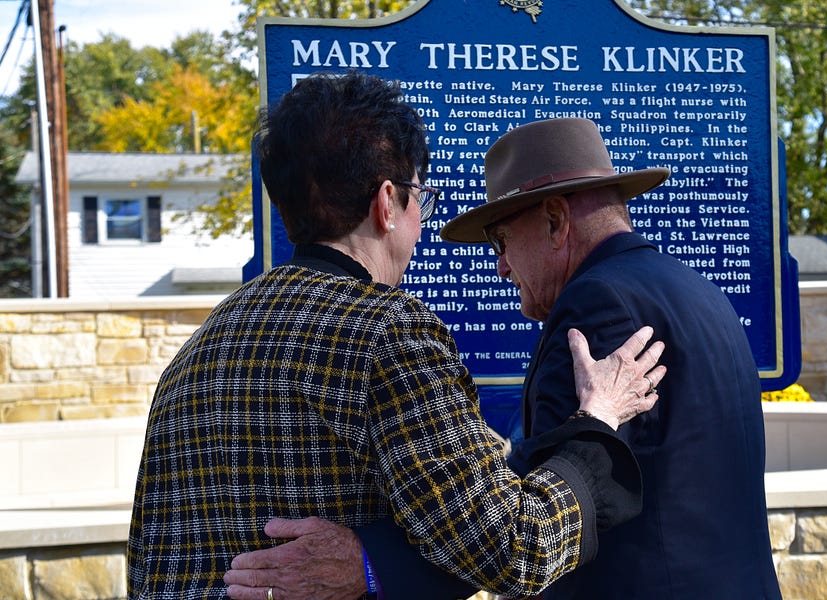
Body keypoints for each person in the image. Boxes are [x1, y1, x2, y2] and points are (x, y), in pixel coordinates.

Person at [128, 74, 668, 599]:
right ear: (388, 202)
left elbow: (150, 571)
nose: (419, 227)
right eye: (419, 199)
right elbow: (515, 549)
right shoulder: (390, 333)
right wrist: (597, 422)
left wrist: (369, 561)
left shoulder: (194, 354)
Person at [227, 117, 783, 599]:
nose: (500, 268)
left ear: (556, 220)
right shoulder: (696, 290)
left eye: (499, 241)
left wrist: (369, 564)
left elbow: (522, 528)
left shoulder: (598, 305)